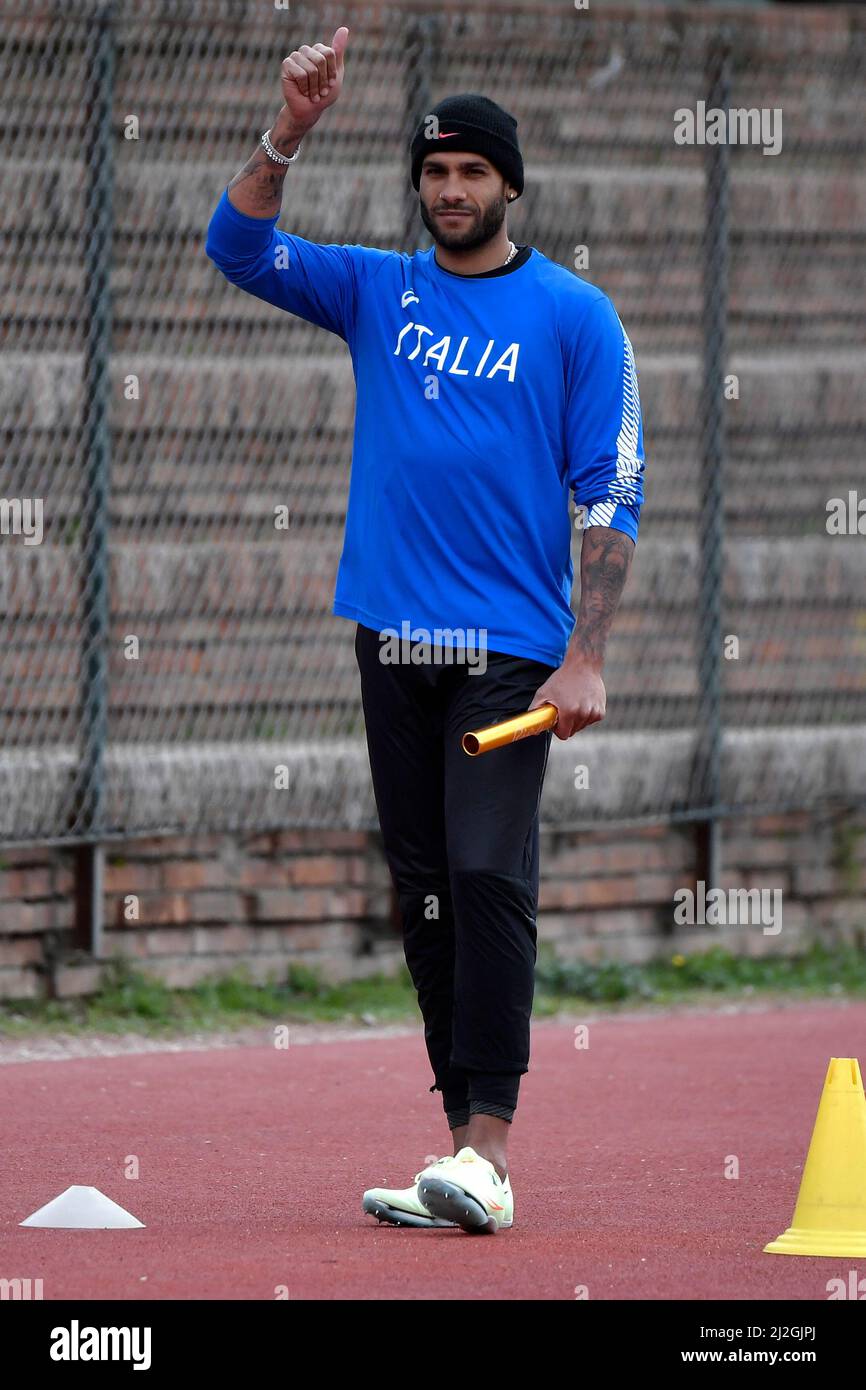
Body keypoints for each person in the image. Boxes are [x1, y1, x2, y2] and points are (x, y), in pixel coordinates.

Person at [205, 26, 645, 1235]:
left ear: (509, 184)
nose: (451, 191)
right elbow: (233, 245)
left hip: (507, 648)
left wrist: (587, 650)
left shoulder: (575, 317)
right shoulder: (374, 289)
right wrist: (286, 129)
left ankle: (492, 1152)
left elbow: (610, 490)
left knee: (486, 874)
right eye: (434, 174)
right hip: (389, 642)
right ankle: (459, 1148)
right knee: (422, 892)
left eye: (472, 173)